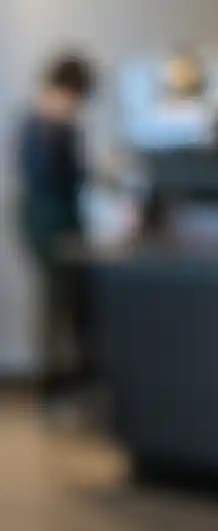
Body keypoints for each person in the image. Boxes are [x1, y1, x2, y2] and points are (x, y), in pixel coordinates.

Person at [16, 53, 97, 410]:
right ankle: (56, 382)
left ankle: (64, 377)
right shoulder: (49, 121)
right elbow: (54, 175)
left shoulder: (40, 119)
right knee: (58, 299)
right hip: (51, 219)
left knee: (65, 299)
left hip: (49, 216)